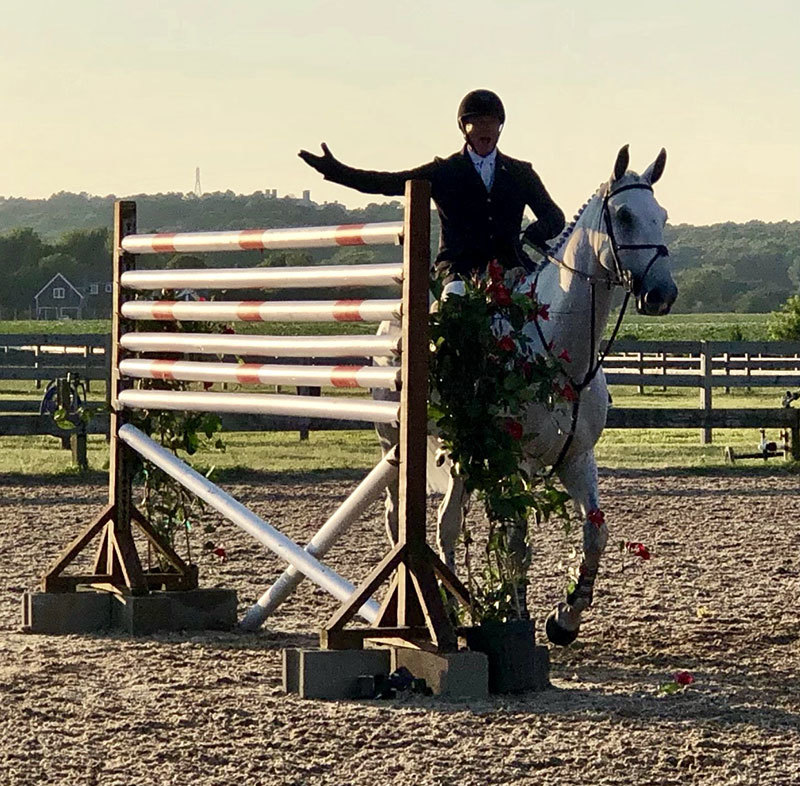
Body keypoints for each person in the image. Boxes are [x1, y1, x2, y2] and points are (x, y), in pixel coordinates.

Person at [299, 89, 565, 283]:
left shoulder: (521, 173)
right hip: (460, 273)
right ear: (465, 128)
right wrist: (337, 171)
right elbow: (389, 183)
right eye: (478, 123)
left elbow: (554, 216)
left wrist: (532, 235)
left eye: (492, 123)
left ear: (500, 127)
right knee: (455, 305)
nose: (486, 129)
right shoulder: (445, 171)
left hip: (511, 271)